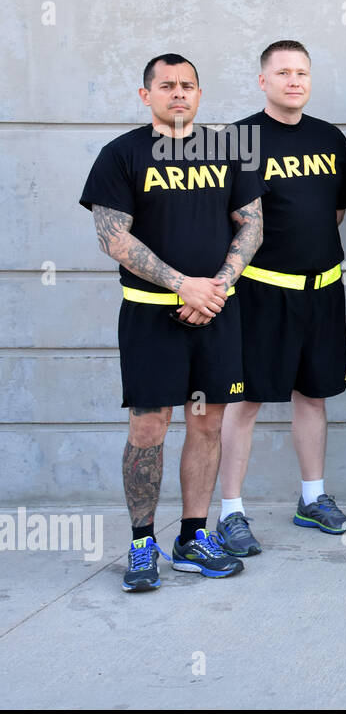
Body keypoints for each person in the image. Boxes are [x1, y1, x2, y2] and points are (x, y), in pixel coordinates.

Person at [80, 53, 264, 590]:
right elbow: (113, 237)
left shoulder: (228, 151)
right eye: (166, 86)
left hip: (217, 310)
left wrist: (216, 287)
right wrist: (181, 284)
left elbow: (251, 226)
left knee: (207, 423)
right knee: (149, 427)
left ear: (200, 94)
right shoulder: (121, 155)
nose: (178, 93)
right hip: (150, 317)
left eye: (188, 85)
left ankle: (192, 535)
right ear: (146, 96)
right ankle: (142, 544)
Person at [215, 41, 346, 556]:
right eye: (283, 73)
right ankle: (231, 511)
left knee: (314, 395)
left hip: (321, 290)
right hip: (260, 292)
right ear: (263, 81)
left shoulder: (330, 138)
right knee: (246, 399)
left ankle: (312, 497)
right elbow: (223, 221)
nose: (294, 81)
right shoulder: (238, 140)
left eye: (301, 72)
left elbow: (337, 212)